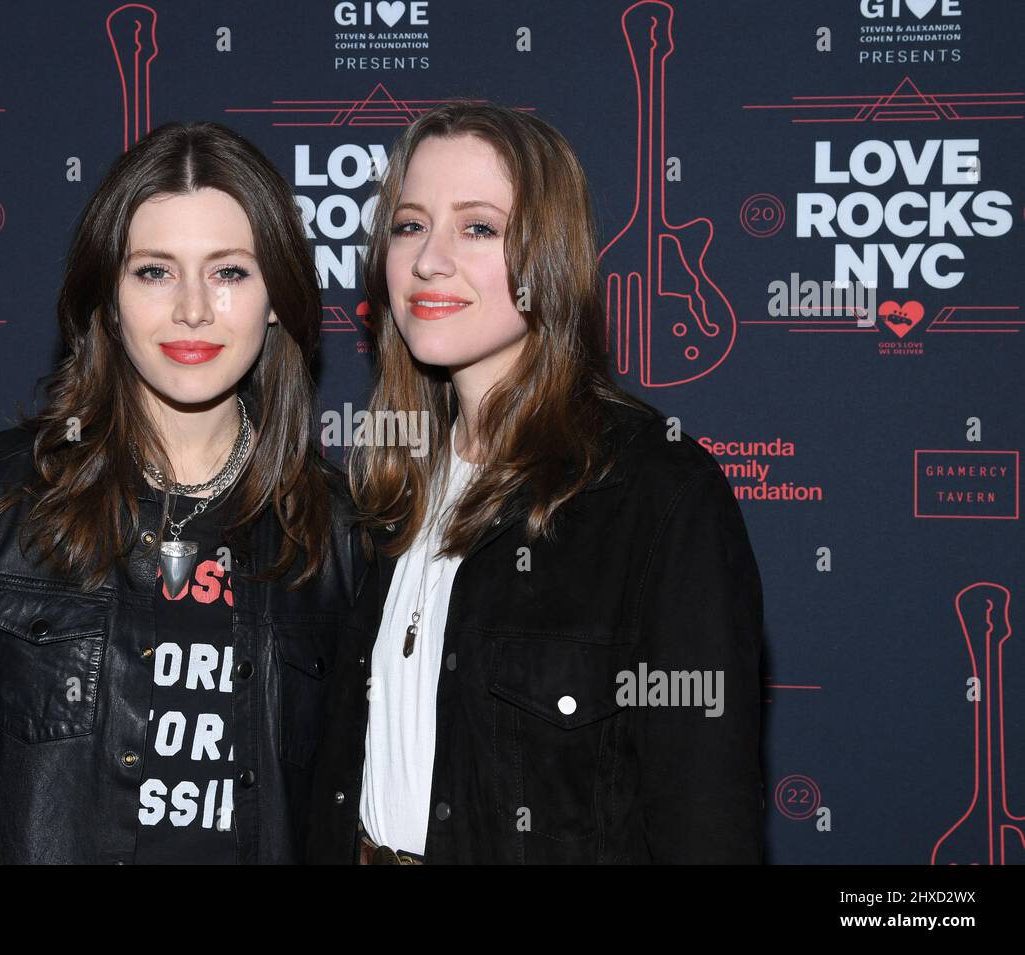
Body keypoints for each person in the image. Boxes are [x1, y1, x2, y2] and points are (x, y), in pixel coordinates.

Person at [0, 120, 363, 864]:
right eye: (154, 271)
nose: (192, 309)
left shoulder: (333, 531)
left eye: (229, 272)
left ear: (277, 299)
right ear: (108, 297)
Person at [305, 103, 766, 864]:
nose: (428, 261)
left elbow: (705, 821)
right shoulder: (384, 486)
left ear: (550, 253)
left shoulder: (656, 494)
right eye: (409, 224)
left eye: (478, 227)